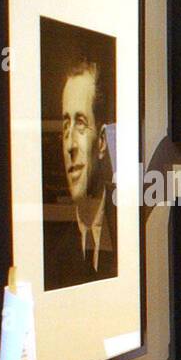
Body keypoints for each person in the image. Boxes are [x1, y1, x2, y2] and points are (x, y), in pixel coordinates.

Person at [43, 58, 116, 290]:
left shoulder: (131, 229)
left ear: (102, 141)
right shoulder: (54, 259)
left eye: (81, 123)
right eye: (65, 127)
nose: (70, 145)